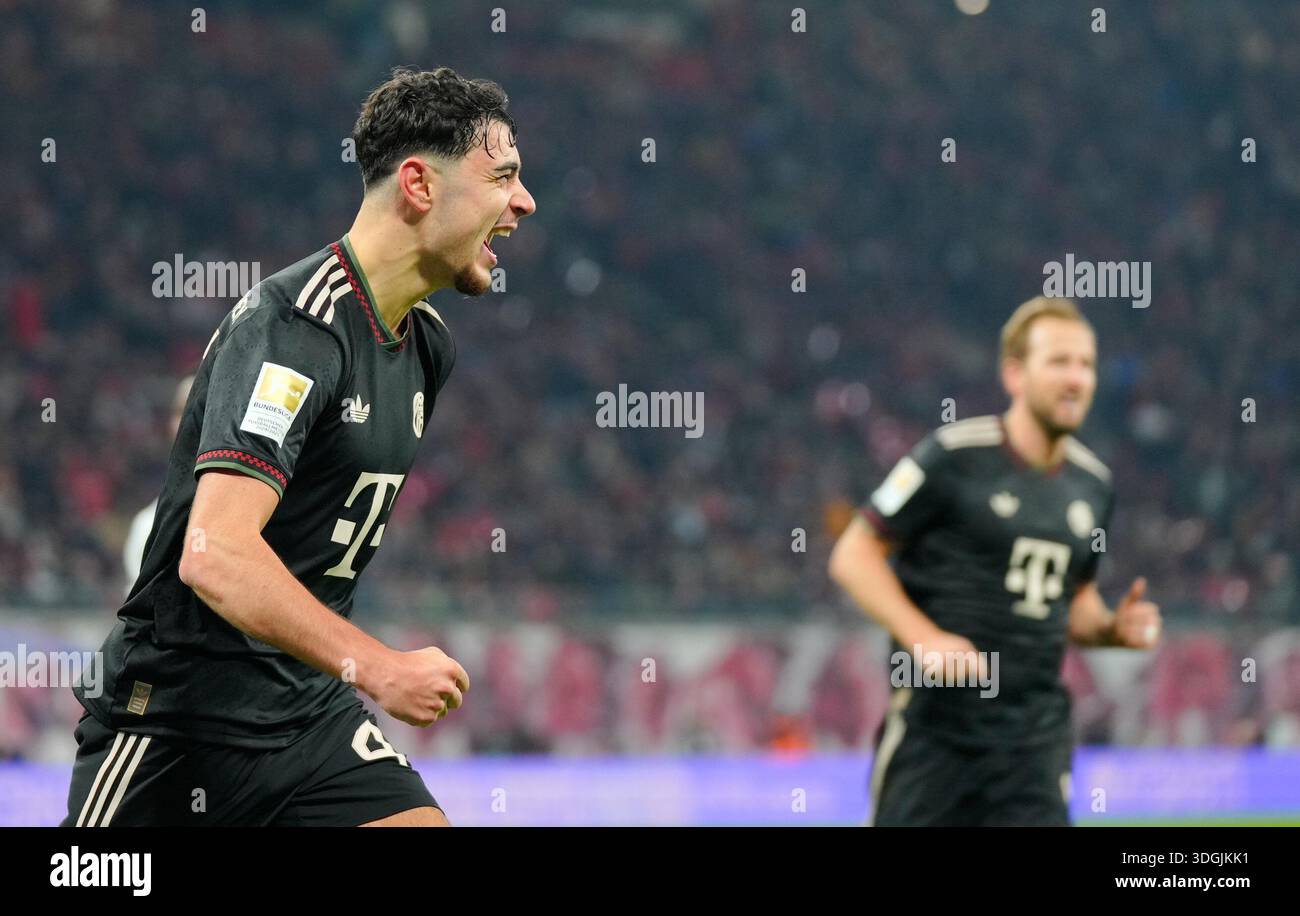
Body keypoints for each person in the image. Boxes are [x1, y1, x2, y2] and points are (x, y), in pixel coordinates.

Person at [64, 66, 536, 827]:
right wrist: (378, 666)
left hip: (309, 716)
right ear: (418, 185)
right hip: (180, 723)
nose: (523, 202)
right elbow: (213, 553)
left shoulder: (428, 348)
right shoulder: (293, 329)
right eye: (503, 177)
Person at [829, 297, 1161, 826]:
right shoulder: (953, 456)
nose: (1076, 378)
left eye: (1086, 364)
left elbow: (1074, 602)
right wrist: (925, 638)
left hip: (1032, 746)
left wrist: (1110, 628)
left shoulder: (1093, 486)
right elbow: (853, 554)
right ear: (1014, 374)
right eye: (1058, 361)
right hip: (937, 736)